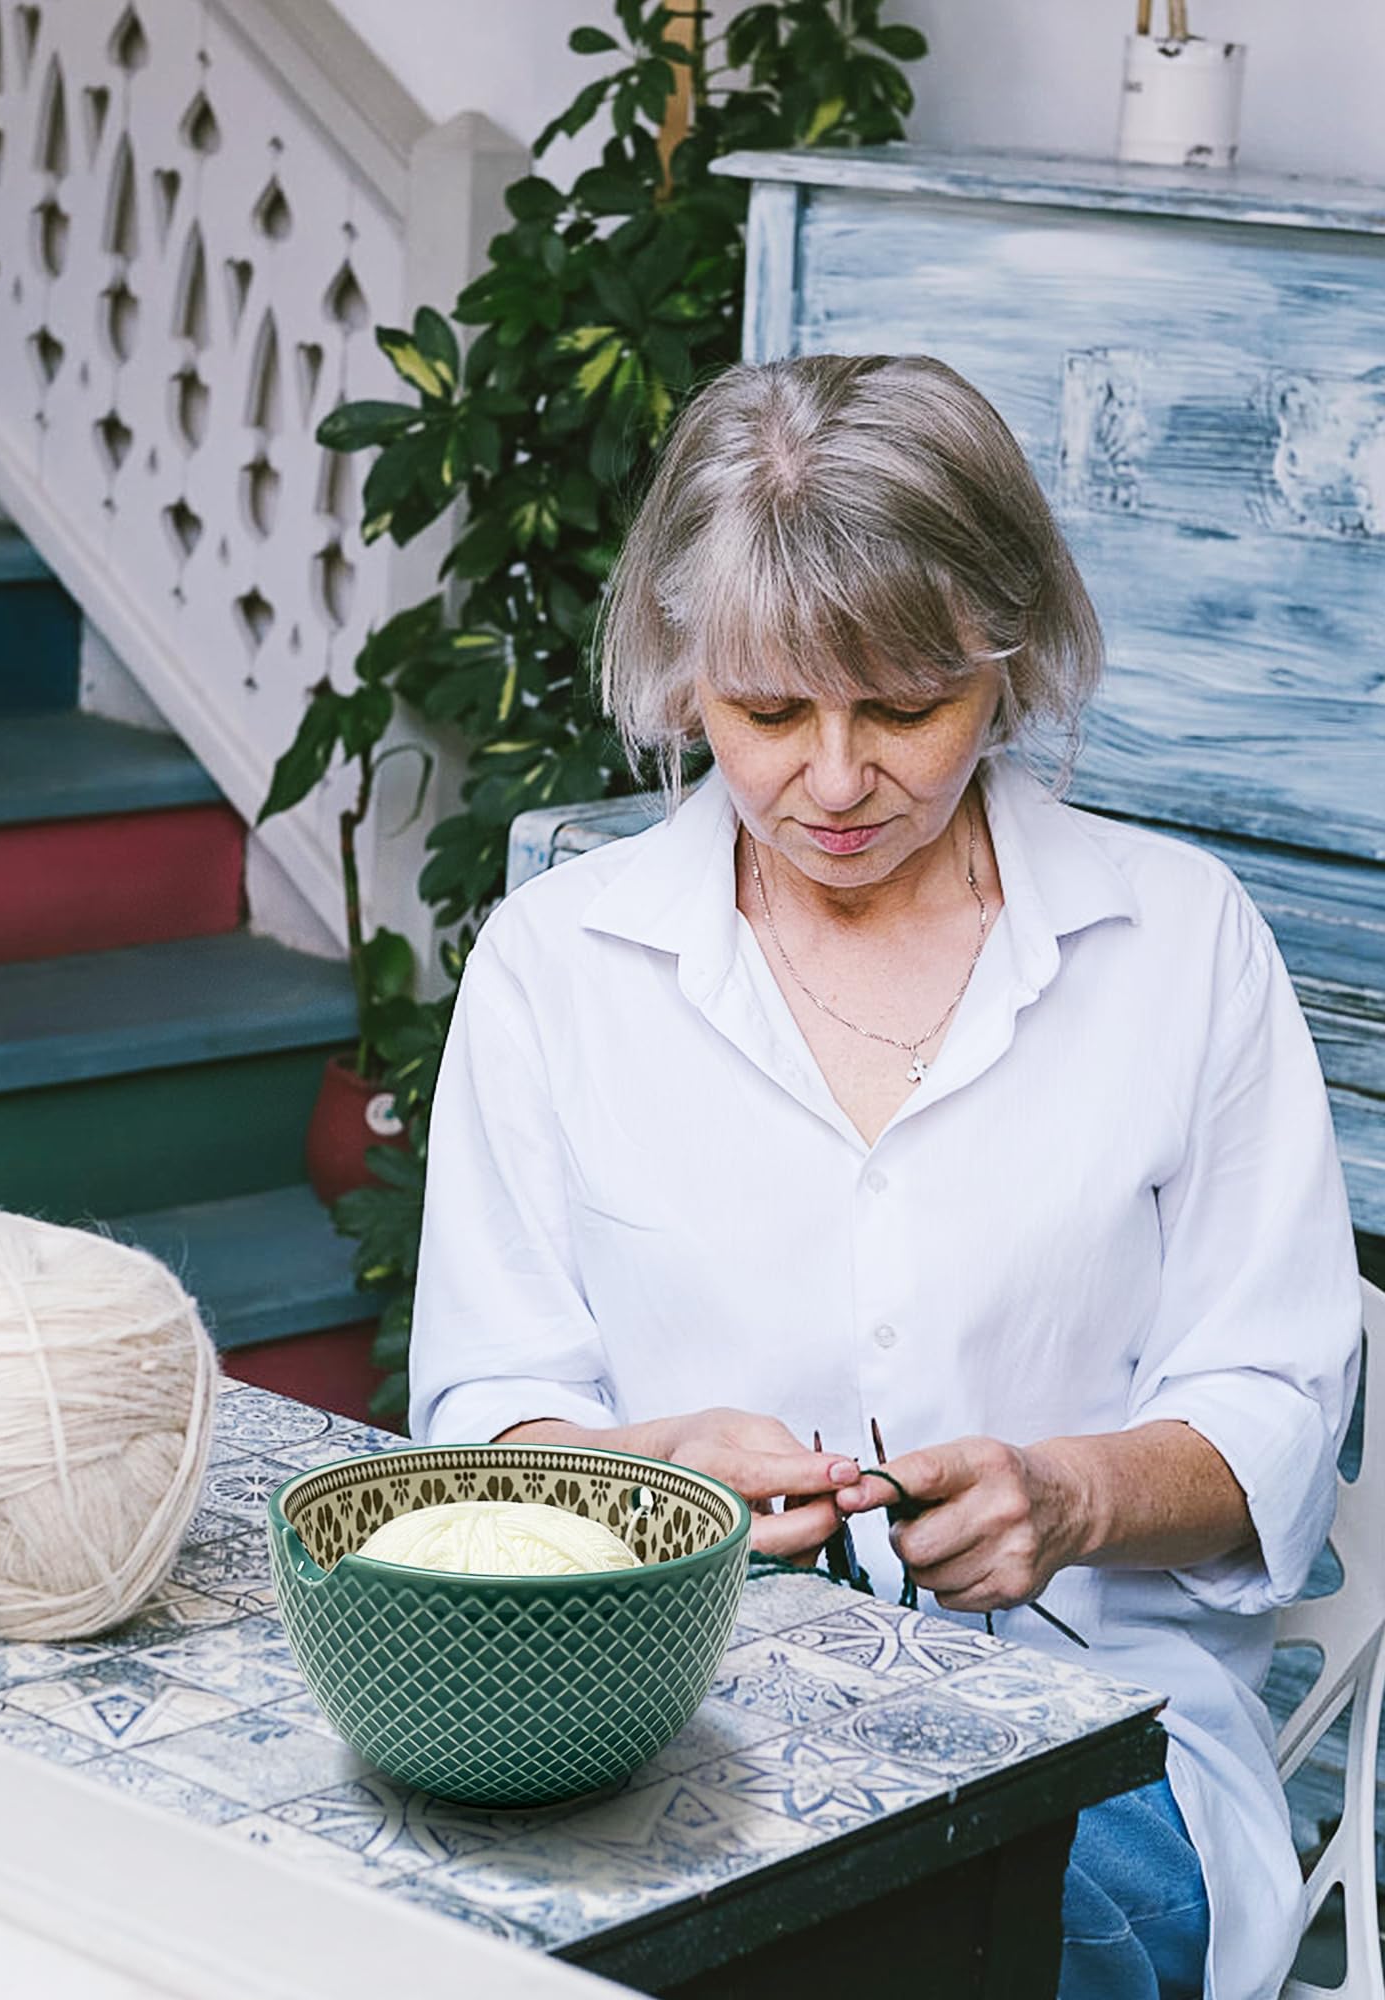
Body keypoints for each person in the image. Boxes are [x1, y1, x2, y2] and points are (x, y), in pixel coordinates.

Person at [407, 353, 1362, 2000]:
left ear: (1008, 665)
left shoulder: (1180, 939)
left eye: (906, 708)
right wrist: (658, 1477)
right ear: (681, 678)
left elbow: (1275, 1398)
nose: (834, 782)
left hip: (1090, 1748)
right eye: (768, 713)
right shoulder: (562, 966)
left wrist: (1067, 1498)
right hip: (664, 1716)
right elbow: (487, 1405)